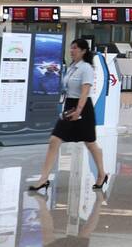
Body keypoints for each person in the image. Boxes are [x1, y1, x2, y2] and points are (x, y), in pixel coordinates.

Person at [28, 38, 108, 192]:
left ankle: (102, 174)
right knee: (54, 140)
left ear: (83, 51)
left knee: (90, 143)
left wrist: (78, 111)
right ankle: (43, 179)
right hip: (69, 107)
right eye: (71, 48)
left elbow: (85, 92)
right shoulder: (72, 67)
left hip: (82, 109)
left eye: (75, 48)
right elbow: (67, 86)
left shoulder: (86, 68)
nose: (72, 51)